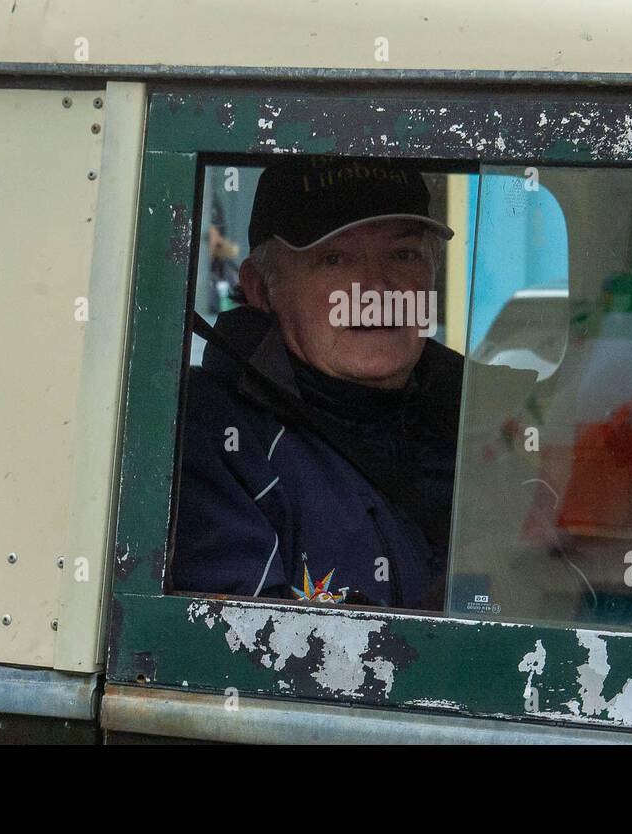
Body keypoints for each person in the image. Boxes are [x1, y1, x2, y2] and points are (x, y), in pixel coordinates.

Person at [172, 157, 460, 610]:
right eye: (334, 259)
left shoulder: (486, 423)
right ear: (262, 289)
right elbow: (238, 665)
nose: (377, 289)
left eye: (403, 255)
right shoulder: (213, 442)